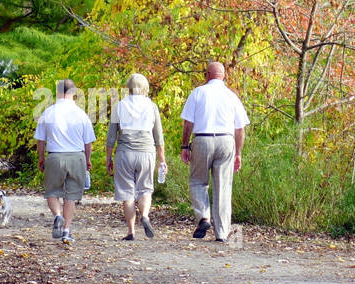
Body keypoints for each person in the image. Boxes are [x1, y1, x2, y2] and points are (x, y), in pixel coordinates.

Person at [179, 61, 249, 242]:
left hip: (202, 139)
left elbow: (188, 123)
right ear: (223, 76)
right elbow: (240, 129)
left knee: (197, 181)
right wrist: (238, 153)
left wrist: (185, 145)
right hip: (226, 140)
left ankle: (203, 217)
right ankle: (222, 233)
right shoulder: (231, 96)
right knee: (223, 187)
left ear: (207, 75)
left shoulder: (198, 93)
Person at [105, 72, 166, 240]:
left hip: (125, 152)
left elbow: (111, 136)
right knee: (145, 189)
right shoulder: (151, 106)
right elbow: (158, 135)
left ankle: (131, 231)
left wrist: (108, 158)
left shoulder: (119, 106)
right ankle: (145, 215)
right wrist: (162, 159)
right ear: (145, 87)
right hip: (146, 151)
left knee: (127, 193)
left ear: (128, 88)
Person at [34, 78, 95, 244]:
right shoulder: (82, 114)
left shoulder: (48, 113)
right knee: (72, 195)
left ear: (57, 91)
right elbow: (87, 142)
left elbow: (40, 140)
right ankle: (67, 231)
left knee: (52, 192)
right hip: (77, 157)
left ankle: (57, 215)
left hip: (55, 156)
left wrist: (41, 158)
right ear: (73, 93)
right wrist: (88, 160)